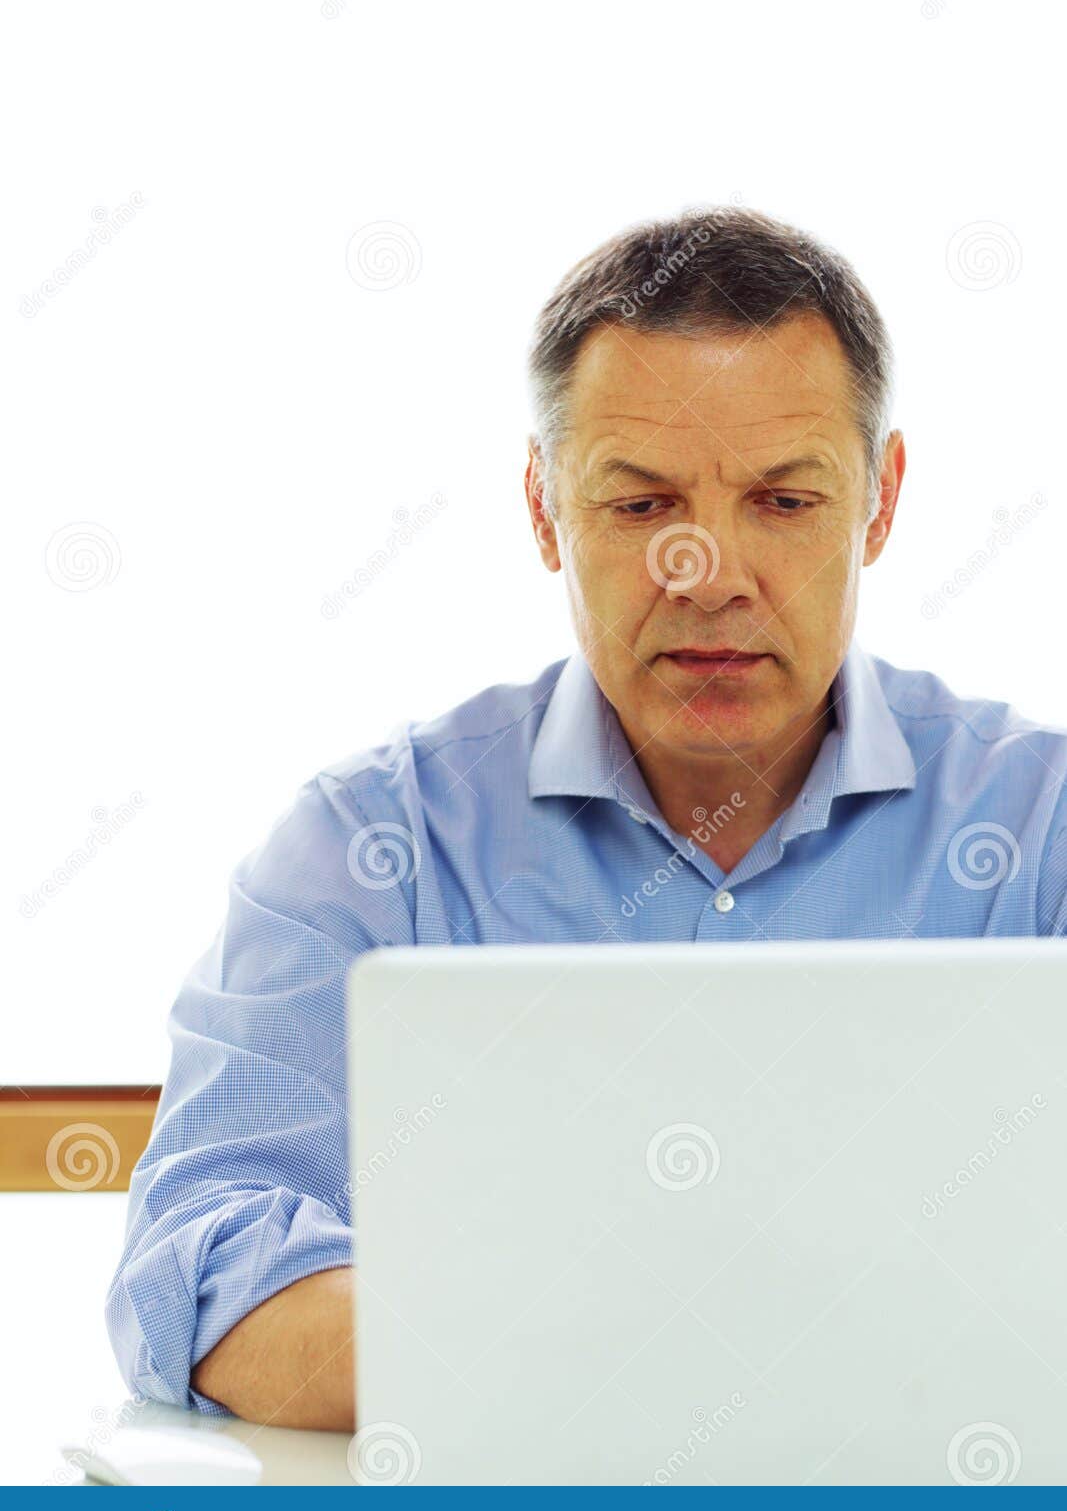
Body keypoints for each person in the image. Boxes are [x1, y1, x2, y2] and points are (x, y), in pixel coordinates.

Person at [105, 206, 1067, 1433]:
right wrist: (736, 1348)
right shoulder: (366, 853)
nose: (704, 571)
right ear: (541, 504)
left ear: (876, 502)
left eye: (780, 500)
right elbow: (206, 1271)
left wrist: (576, 1337)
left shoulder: (1036, 836)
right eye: (637, 504)